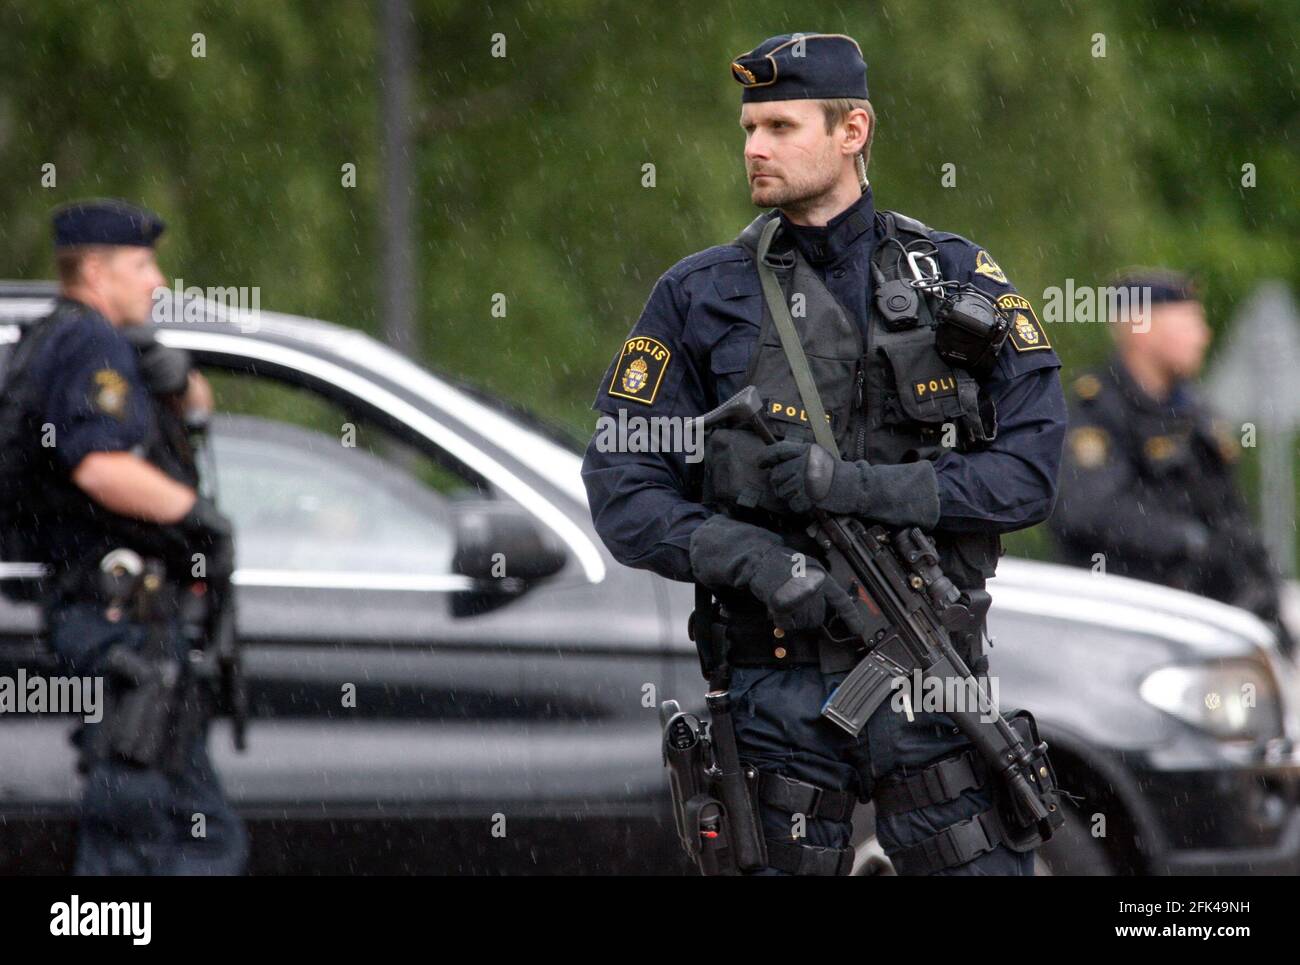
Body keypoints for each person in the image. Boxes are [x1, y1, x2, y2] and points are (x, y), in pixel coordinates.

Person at [582, 33, 1067, 875]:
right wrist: (757, 560)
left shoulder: (957, 284)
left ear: (853, 132)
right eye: (748, 129)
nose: (754, 148)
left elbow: (1027, 475)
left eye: (780, 126)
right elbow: (621, 479)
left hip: (935, 680)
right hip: (775, 695)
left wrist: (857, 486)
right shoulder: (699, 295)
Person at [0, 199, 247, 874]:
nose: (158, 280)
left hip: (112, 619)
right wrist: (197, 515)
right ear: (95, 271)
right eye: (142, 265)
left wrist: (178, 379)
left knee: (195, 838)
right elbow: (99, 464)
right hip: (119, 621)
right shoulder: (90, 342)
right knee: (138, 839)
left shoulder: (61, 337)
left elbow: (192, 404)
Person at [1050, 269, 1293, 653]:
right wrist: (1189, 542)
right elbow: (1089, 511)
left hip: (1204, 627)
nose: (1203, 335)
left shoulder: (1197, 416)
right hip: (1125, 631)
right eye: (1189, 321)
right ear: (1141, 327)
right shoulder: (1098, 409)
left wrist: (1263, 597)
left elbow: (1230, 516)